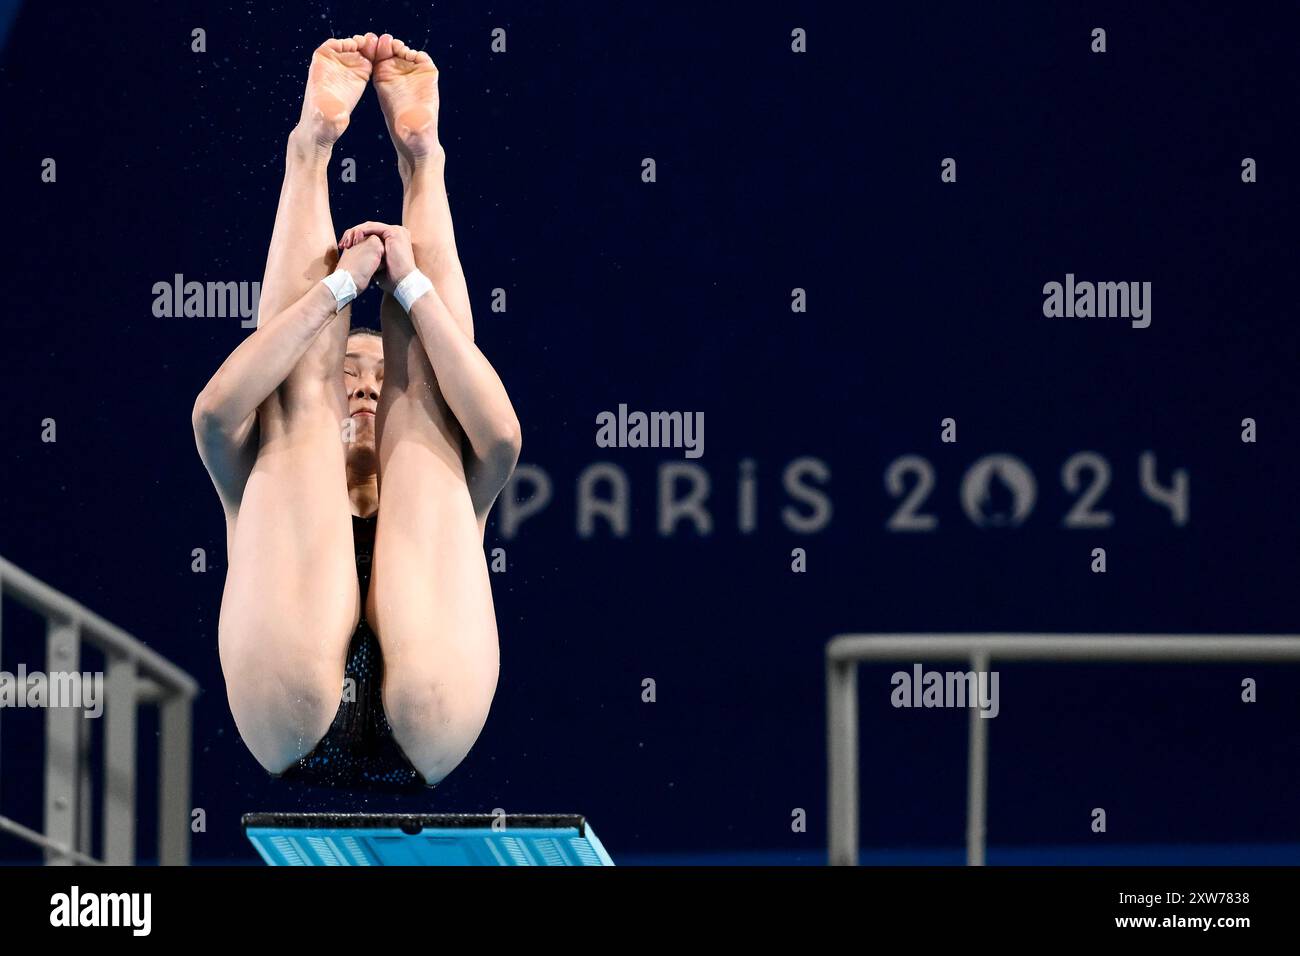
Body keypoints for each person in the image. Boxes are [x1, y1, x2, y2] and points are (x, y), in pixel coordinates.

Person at [192, 33, 520, 790]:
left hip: (432, 704)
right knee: (295, 409)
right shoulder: (253, 473)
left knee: (430, 407)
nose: (366, 387)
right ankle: (310, 149)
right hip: (292, 698)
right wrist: (338, 290)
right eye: (353, 372)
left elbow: (501, 434)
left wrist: (408, 287)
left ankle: (422, 157)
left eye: (376, 373)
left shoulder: (460, 486)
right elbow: (213, 413)